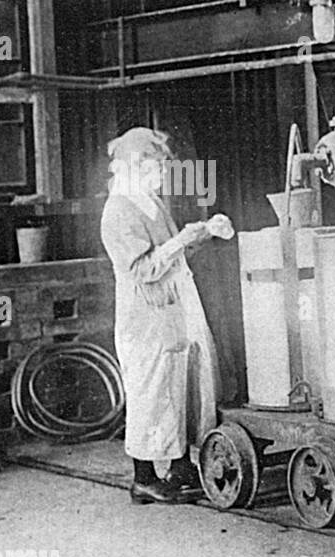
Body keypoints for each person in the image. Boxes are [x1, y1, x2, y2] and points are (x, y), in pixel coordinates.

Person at [100, 127, 219, 504]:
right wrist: (181, 240)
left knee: (178, 386)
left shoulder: (151, 202)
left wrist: (204, 234)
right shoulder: (118, 210)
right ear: (134, 167)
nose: (162, 175)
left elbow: (173, 256)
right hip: (144, 316)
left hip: (170, 308)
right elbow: (143, 270)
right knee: (149, 393)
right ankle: (144, 478)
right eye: (155, 168)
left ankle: (181, 468)